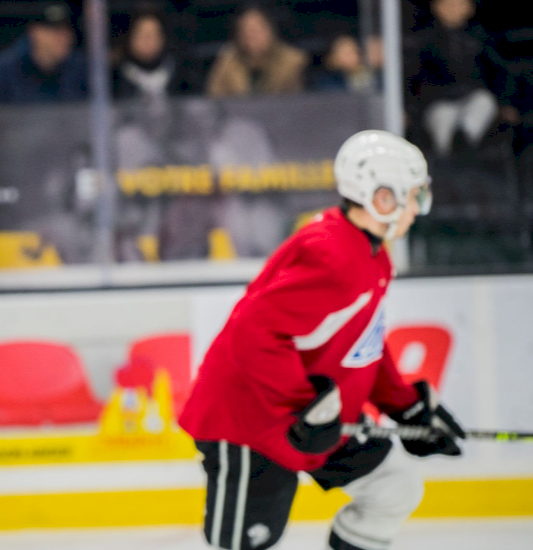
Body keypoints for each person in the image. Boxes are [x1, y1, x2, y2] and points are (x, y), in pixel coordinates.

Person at [179, 130, 466, 550]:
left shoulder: (372, 254)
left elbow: (363, 343)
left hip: (320, 419)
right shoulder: (331, 253)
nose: (417, 210)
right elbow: (251, 334)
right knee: (246, 542)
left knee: (393, 488)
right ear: (381, 199)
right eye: (414, 198)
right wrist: (302, 404)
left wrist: (406, 407)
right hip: (251, 420)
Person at [406, 0, 519, 156]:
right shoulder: (423, 39)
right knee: (443, 120)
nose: (454, 9)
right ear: (436, 7)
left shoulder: (479, 37)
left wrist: (506, 103)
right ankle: (448, 162)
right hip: (438, 102)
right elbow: (411, 78)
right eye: (448, 4)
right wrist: (408, 109)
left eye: (459, 4)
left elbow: (499, 71)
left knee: (483, 102)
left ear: (470, 8)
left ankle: (465, 137)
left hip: (473, 95)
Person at [0, 2, 88, 104]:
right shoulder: (4, 69)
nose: (62, 37)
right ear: (34, 32)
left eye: (67, 30)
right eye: (53, 30)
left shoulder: (82, 67)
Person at [204, 5, 307, 98]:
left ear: (270, 30)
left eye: (257, 30)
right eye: (245, 30)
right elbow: (214, 97)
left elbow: (296, 101)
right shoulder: (227, 60)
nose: (251, 36)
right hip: (238, 117)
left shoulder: (293, 60)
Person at [111, 3, 194, 99]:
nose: (148, 41)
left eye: (154, 35)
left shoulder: (183, 75)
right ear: (129, 37)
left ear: (164, 38)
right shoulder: (113, 78)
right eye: (141, 35)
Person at [310, 34, 381, 94]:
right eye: (348, 53)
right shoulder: (327, 81)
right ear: (333, 57)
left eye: (356, 51)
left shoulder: (370, 74)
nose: (355, 56)